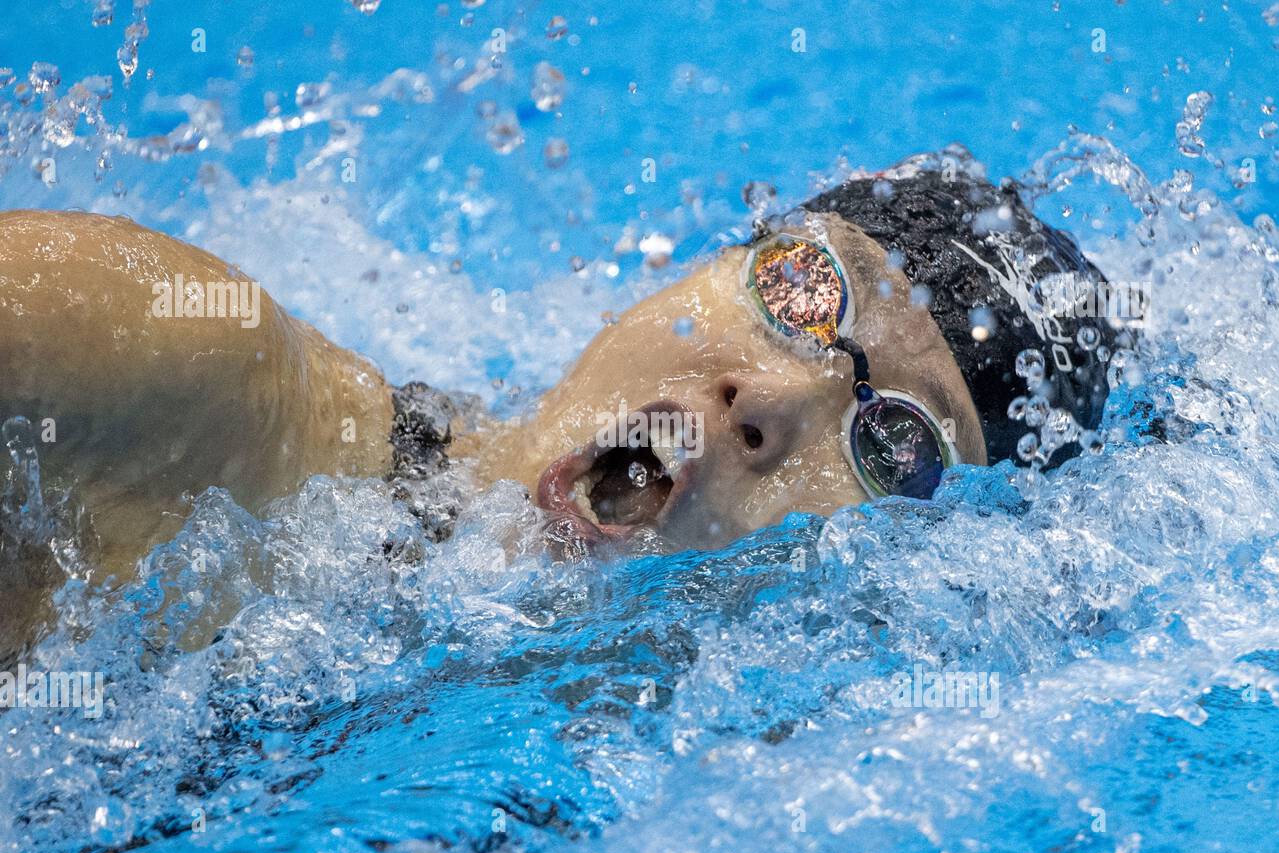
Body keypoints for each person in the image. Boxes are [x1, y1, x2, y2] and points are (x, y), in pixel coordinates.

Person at [0, 147, 1122, 658]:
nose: (768, 398)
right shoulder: (214, 381)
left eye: (896, 442)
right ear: (695, 267)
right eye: (800, 288)